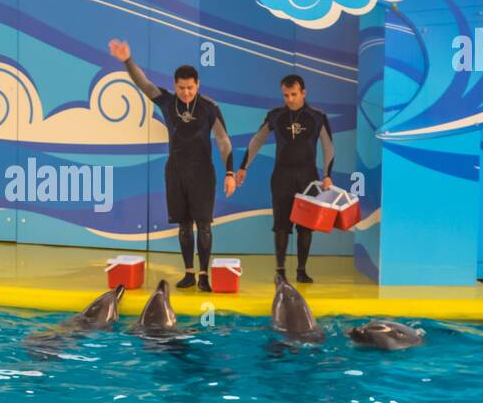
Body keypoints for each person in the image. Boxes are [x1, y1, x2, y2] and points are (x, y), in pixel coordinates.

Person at [108, 39, 235, 292]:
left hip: (202, 173)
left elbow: (223, 140)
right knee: (184, 224)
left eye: (190, 87)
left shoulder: (210, 108)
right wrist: (127, 61)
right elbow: (143, 83)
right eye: (181, 88)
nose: (186, 92)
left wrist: (230, 172)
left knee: (205, 225)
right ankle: (188, 272)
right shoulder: (167, 102)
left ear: (197, 85)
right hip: (175, 171)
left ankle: (203, 275)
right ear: (175, 86)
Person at [235, 74, 334, 284]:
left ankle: (301, 270)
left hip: (309, 178)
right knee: (281, 225)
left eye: (294, 94)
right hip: (282, 176)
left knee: (305, 226)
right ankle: (280, 270)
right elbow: (258, 139)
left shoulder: (317, 116)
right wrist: (244, 166)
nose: (289, 99)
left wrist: (327, 175)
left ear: (303, 93)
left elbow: (328, 146)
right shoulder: (276, 115)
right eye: (286, 95)